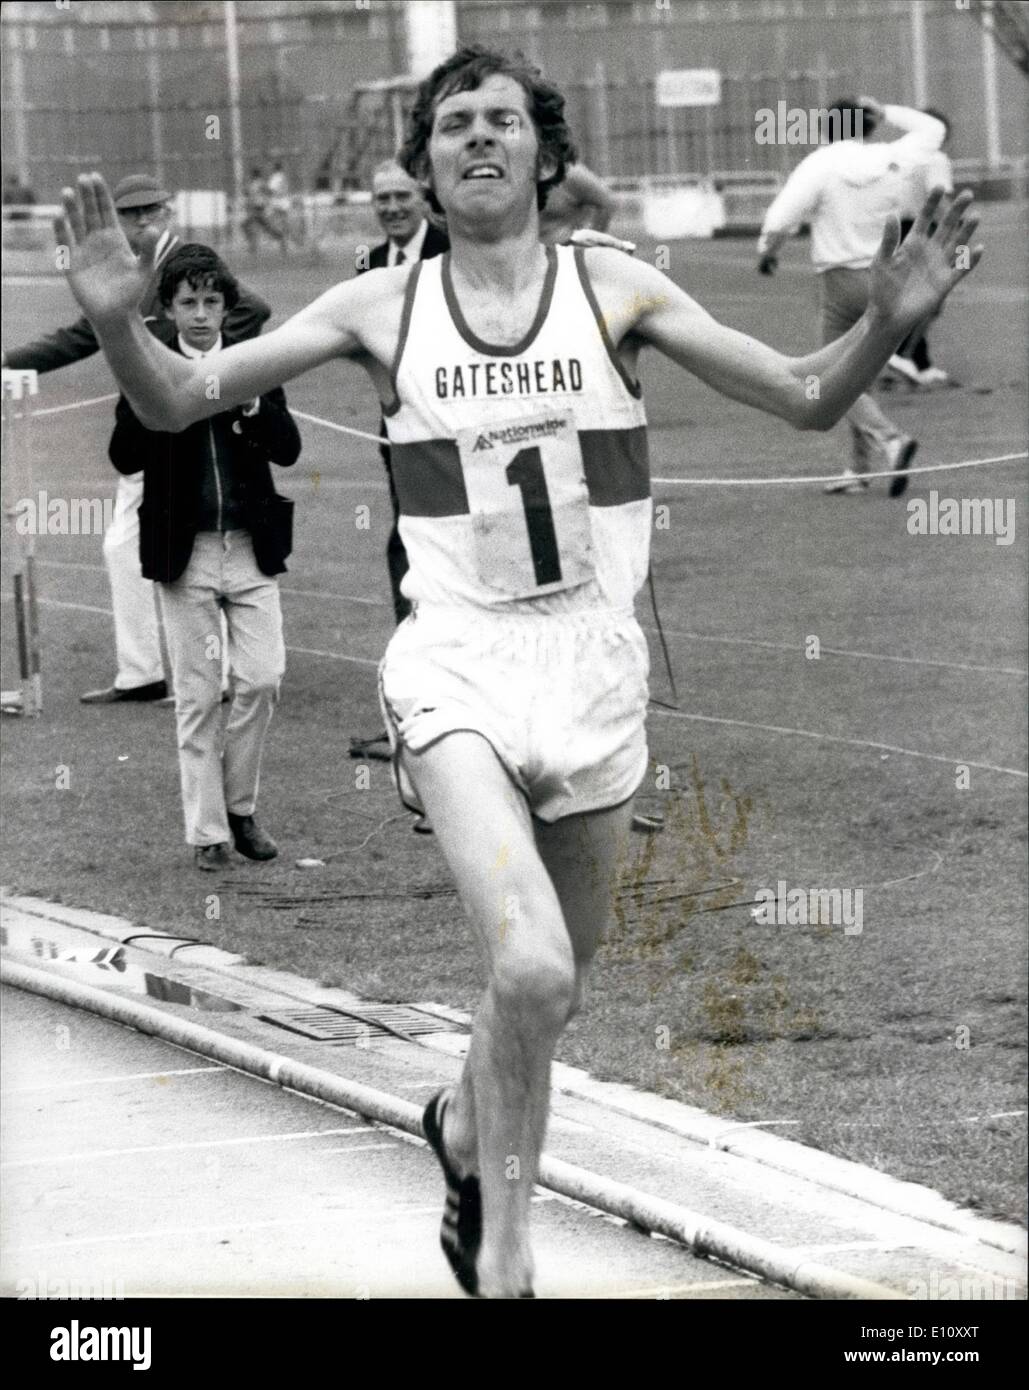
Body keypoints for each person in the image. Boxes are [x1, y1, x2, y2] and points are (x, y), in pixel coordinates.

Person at [55, 44, 979, 1297]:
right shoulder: (382, 308)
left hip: (597, 668)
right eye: (452, 126)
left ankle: (458, 1122)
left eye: (502, 120)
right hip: (460, 669)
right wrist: (118, 321)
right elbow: (172, 403)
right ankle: (505, 1254)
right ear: (425, 167)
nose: (478, 138)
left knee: (548, 987)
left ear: (545, 152)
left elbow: (809, 400)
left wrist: (882, 326)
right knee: (531, 965)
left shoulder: (617, 287)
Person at [2, 172, 271, 703]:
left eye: (151, 211)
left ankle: (213, 678)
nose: (143, 221)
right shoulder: (123, 271)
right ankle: (141, 673)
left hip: (197, 425)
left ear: (169, 212)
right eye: (130, 214)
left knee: (198, 551)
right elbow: (81, 337)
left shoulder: (191, 260)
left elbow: (252, 309)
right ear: (118, 221)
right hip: (147, 430)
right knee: (124, 547)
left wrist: (189, 360)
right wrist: (7, 361)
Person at [108, 245, 300, 870]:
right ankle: (208, 833)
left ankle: (240, 806)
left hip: (250, 546)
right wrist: (155, 398)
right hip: (182, 554)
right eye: (187, 302)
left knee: (262, 679)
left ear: (227, 306)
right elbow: (124, 456)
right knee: (196, 696)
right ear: (166, 309)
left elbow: (289, 447)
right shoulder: (149, 368)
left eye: (211, 301)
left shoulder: (253, 365)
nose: (199, 314)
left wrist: (246, 403)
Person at [756, 96, 949, 496]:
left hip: (841, 280)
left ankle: (890, 439)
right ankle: (858, 470)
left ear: (828, 128)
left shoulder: (820, 164)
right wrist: (885, 109)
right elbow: (934, 130)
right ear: (869, 126)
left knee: (834, 377)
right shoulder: (892, 155)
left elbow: (779, 220)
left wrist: (768, 253)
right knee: (859, 374)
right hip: (892, 277)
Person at [348, 161, 451, 772]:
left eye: (401, 197)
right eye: (381, 199)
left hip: (459, 430)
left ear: (422, 199)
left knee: (443, 551)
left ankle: (454, 706)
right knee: (406, 547)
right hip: (399, 432)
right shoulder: (367, 262)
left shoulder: (451, 249)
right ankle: (414, 705)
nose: (391, 208)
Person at [890, 107, 955, 388]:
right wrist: (957, 227)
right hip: (922, 229)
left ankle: (921, 363)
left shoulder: (900, 154)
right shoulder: (935, 157)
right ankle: (903, 354)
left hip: (894, 231)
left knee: (911, 296)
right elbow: (938, 197)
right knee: (932, 299)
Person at [242, 166, 286, 255]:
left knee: (266, 228)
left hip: (259, 209)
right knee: (247, 226)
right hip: (254, 210)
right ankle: (253, 247)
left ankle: (280, 239)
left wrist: (266, 200)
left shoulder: (260, 183)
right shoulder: (253, 184)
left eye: (251, 174)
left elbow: (269, 191)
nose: (250, 176)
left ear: (254, 175)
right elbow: (247, 193)